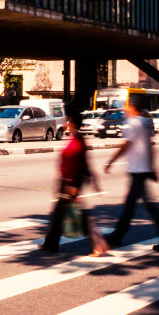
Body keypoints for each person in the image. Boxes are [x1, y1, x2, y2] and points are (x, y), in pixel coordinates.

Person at [103, 97, 159, 252]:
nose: (124, 109)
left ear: (132, 107)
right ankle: (118, 234)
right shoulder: (146, 122)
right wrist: (152, 167)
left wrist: (111, 161)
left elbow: (126, 145)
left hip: (137, 170)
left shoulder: (133, 123)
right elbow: (151, 147)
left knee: (149, 206)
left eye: (126, 107)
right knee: (130, 205)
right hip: (143, 169)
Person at [42, 103, 110, 255]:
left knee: (76, 215)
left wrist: (73, 185)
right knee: (58, 214)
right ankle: (50, 244)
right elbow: (86, 164)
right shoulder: (77, 139)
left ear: (72, 122)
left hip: (70, 183)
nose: (65, 123)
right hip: (67, 182)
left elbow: (81, 164)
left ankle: (98, 244)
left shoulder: (77, 142)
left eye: (68, 120)